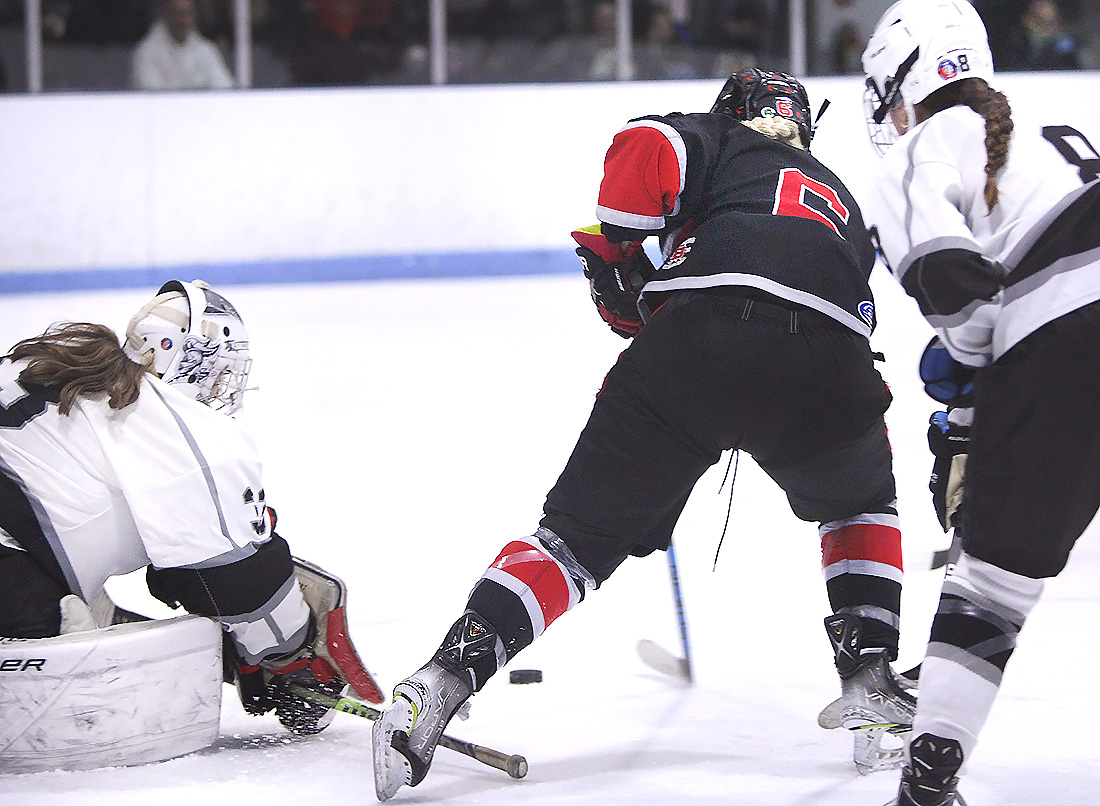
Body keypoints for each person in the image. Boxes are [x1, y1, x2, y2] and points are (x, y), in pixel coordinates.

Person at [370, 69, 918, 801]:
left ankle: (439, 681)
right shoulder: (838, 194)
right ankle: (872, 682)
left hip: (694, 350)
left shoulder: (718, 140)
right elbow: (813, 283)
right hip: (827, 359)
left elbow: (647, 143)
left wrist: (626, 251)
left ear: (734, 112)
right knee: (859, 505)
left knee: (572, 542)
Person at [861, 1, 1100, 803]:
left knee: (990, 587)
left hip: (1069, 331)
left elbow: (959, 293)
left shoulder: (921, 149)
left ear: (903, 82)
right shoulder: (1050, 129)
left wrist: (964, 402)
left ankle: (927, 783)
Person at [0, 280, 382, 761]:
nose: (224, 389)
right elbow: (234, 579)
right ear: (183, 360)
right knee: (82, 662)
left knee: (83, 619)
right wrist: (293, 657)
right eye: (219, 372)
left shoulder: (62, 372)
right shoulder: (179, 425)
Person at [130, 0, 234, 90]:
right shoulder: (147, 52)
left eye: (187, 13)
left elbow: (224, 87)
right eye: (178, 14)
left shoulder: (206, 50)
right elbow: (149, 95)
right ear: (166, 15)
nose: (183, 20)